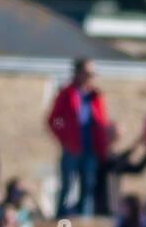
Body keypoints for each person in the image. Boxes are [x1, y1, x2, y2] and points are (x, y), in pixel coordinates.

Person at [47, 60, 110, 218]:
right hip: (73, 148)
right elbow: (54, 120)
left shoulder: (95, 96)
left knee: (87, 186)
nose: (91, 78)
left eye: (93, 74)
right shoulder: (67, 94)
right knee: (67, 186)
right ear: (78, 73)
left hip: (91, 149)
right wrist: (65, 137)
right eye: (88, 74)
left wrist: (103, 146)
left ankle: (84, 220)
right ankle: (62, 220)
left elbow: (101, 122)